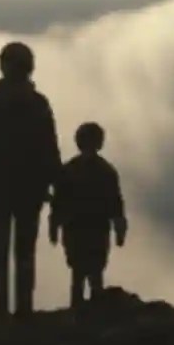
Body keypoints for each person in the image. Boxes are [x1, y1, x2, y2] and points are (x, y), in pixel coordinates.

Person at [0, 42, 62, 318]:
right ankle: (23, 310)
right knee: (25, 251)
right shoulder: (37, 103)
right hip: (29, 188)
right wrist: (55, 182)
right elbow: (49, 146)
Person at [48, 122, 127, 309]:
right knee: (85, 271)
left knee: (87, 271)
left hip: (87, 227)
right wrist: (54, 225)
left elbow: (115, 204)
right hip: (83, 228)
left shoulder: (74, 170)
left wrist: (54, 226)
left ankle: (85, 308)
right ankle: (87, 309)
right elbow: (58, 201)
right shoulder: (102, 171)